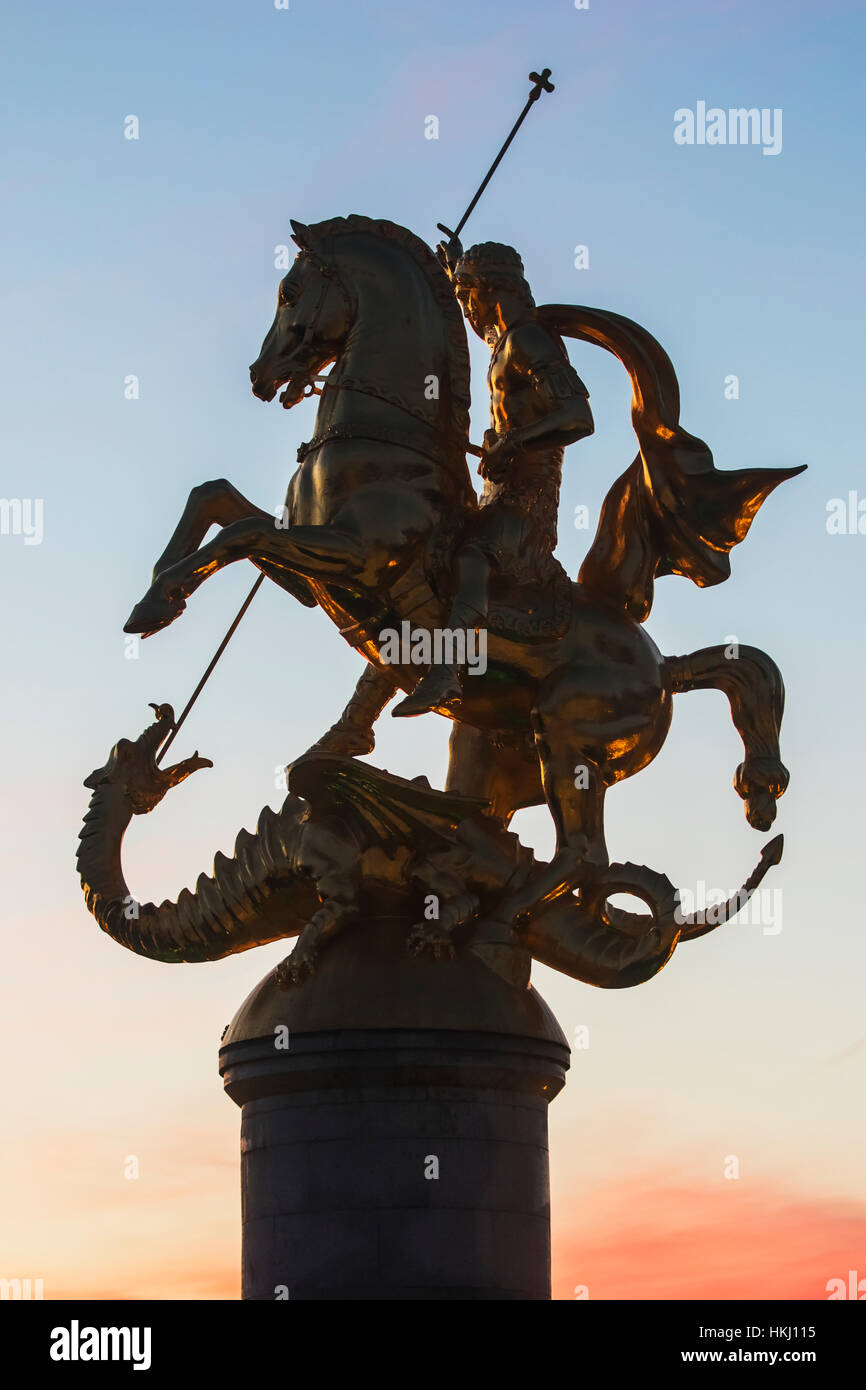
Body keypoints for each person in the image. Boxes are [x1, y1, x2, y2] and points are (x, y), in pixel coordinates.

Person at [392, 239, 594, 717]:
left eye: (468, 296)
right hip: (496, 494)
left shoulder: (531, 340)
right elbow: (484, 331)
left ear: (491, 288)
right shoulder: (505, 342)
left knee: (474, 553)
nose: (467, 308)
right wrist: (451, 273)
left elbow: (579, 416)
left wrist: (515, 442)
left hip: (528, 503)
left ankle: (449, 670)